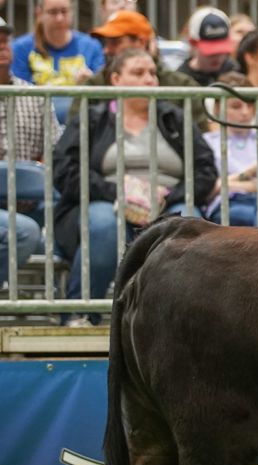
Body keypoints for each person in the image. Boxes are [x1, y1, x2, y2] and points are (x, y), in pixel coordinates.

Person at [51, 49, 216, 324]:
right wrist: (119, 195)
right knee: (105, 223)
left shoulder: (175, 118)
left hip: (166, 202)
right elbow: (64, 170)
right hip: (102, 202)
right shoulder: (93, 119)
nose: (149, 79)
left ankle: (184, 324)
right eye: (138, 73)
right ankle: (80, 315)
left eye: (152, 73)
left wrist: (164, 198)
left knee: (187, 219)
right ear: (116, 79)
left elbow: (206, 169)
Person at [0, 24, 61, 287]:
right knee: (23, 231)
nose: (3, 45)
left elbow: (54, 153)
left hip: (31, 205)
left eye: (4, 40)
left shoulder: (34, 95)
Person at [81, 11, 210, 132]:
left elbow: (198, 140)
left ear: (141, 42)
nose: (106, 50)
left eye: (115, 42)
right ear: (115, 79)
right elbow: (76, 136)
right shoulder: (93, 85)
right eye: (106, 43)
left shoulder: (182, 86)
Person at [202, 72, 258, 232]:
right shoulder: (207, 142)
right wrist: (253, 171)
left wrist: (230, 184)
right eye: (236, 106)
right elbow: (210, 189)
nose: (245, 112)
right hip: (229, 205)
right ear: (217, 107)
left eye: (250, 104)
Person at [11, 0, 105, 86]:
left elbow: (102, 90)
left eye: (64, 11)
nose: (59, 18)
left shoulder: (92, 46)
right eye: (53, 12)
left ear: (72, 12)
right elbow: (21, 92)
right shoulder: (20, 48)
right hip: (36, 104)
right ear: (39, 14)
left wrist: (90, 82)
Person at [176, 8, 241, 88]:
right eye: (211, 53)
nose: (218, 58)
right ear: (192, 43)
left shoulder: (236, 71)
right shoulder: (181, 80)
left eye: (221, 51)